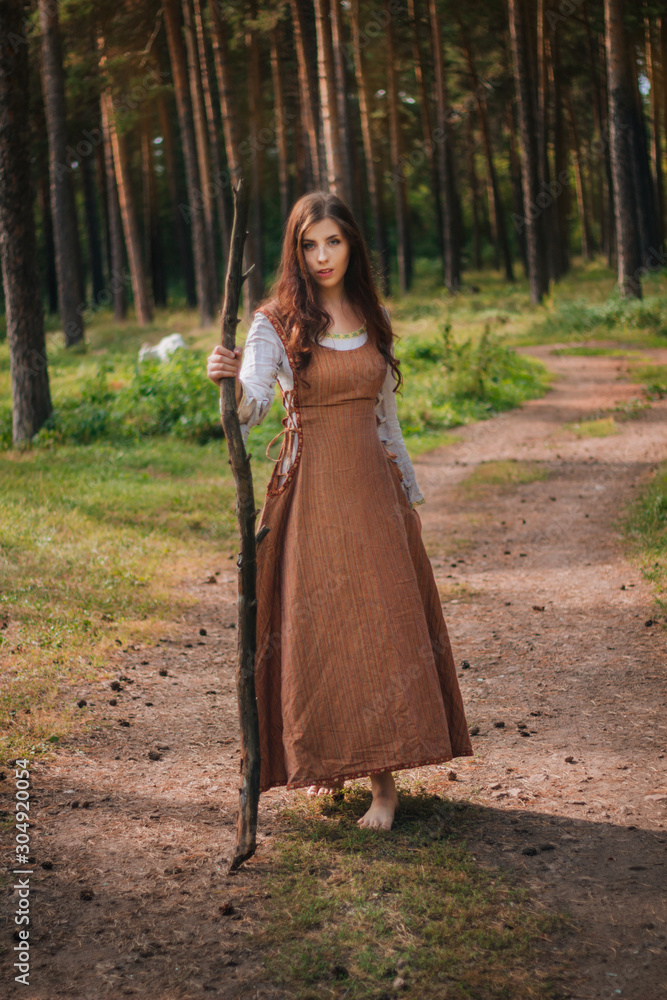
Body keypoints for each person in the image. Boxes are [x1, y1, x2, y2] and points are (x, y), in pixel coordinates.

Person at [207, 191, 473, 832]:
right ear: (294, 251)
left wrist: (407, 496)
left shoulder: (373, 312)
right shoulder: (275, 321)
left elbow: (388, 420)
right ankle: (331, 760)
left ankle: (385, 786)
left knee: (382, 625)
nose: (322, 256)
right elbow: (254, 409)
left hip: (373, 493)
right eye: (309, 244)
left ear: (352, 244)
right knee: (324, 627)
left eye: (333, 241)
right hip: (312, 491)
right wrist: (231, 379)